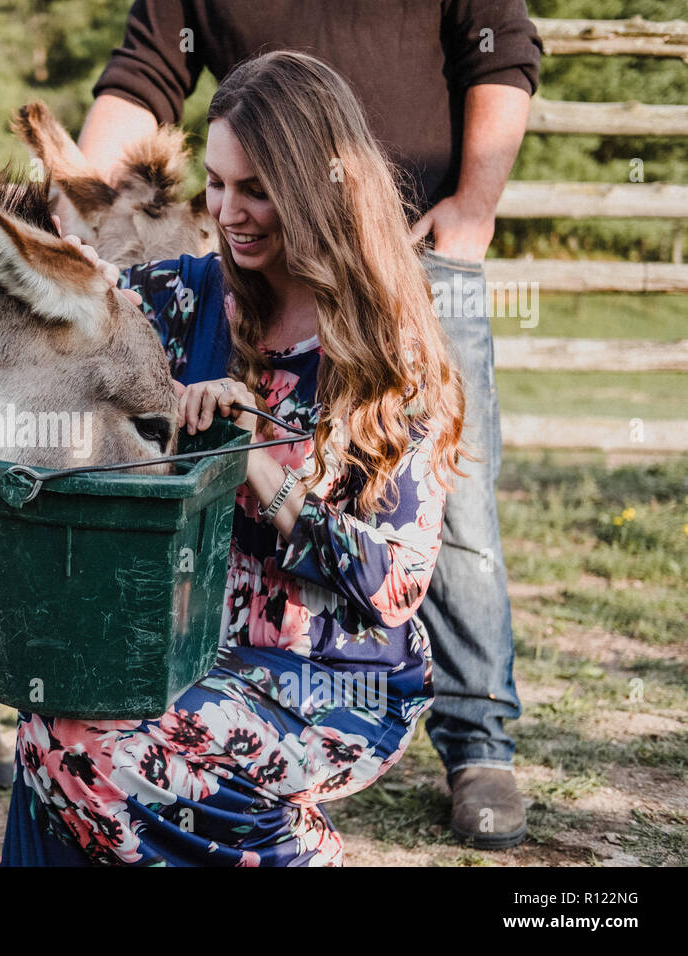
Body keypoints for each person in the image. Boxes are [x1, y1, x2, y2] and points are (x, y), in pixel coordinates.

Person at [54, 0, 541, 850]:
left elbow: (390, 584)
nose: (227, 212)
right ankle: (258, 836)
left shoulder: (398, 354)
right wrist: (61, 231)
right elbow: (141, 79)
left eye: (255, 191)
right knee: (51, 726)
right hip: (202, 645)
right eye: (215, 186)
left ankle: (466, 752)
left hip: (335, 673)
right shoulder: (185, 296)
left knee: (460, 533)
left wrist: (254, 463)